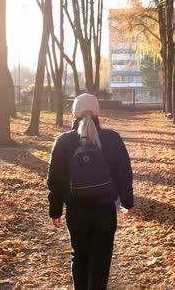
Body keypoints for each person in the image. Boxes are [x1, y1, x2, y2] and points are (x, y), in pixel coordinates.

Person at [47, 93, 134, 290]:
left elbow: (55, 180)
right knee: (101, 261)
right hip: (105, 211)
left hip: (77, 211)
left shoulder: (63, 142)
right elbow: (124, 173)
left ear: (74, 113)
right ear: (97, 112)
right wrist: (127, 202)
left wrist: (55, 210)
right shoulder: (112, 138)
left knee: (79, 256)